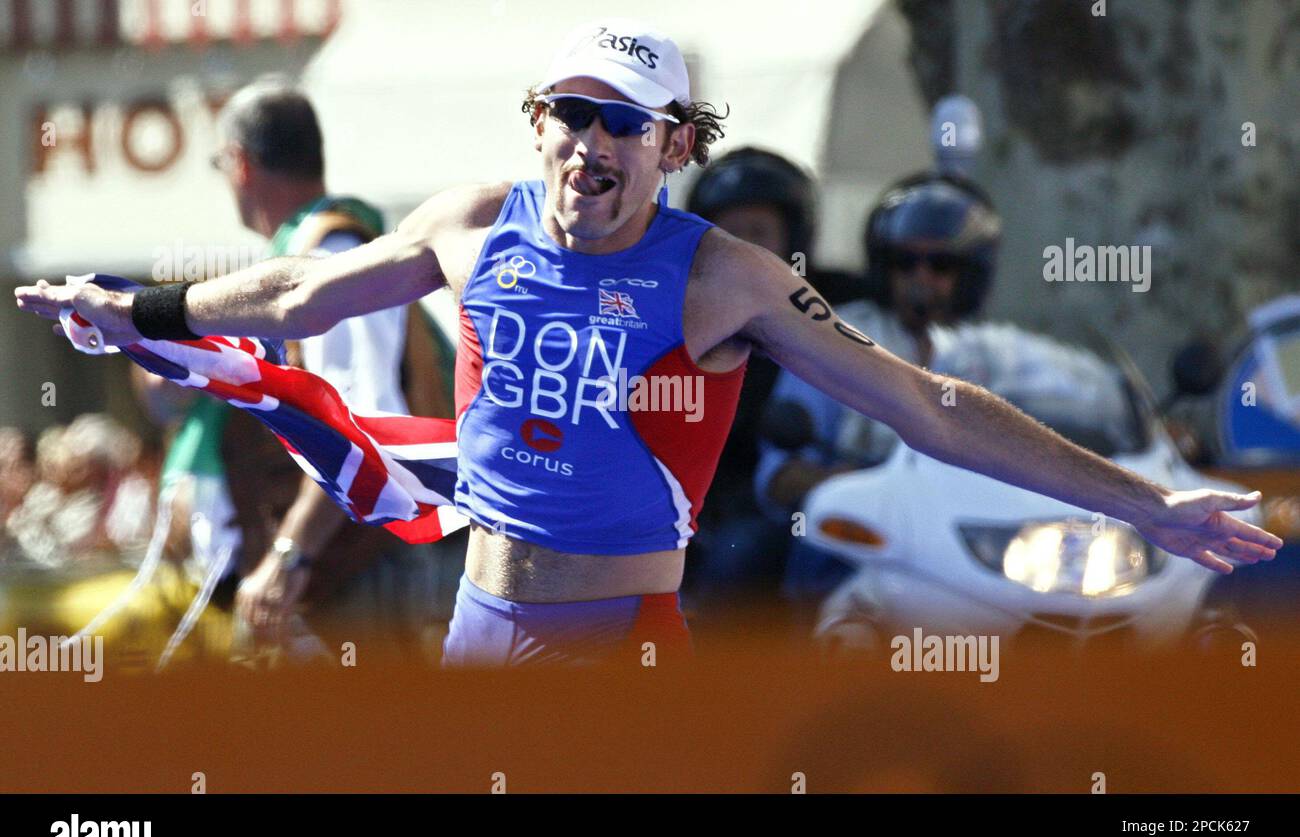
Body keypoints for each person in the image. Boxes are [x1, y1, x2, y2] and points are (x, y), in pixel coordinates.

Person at [15, 19, 1282, 667]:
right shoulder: (472, 226)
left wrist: (1150, 503)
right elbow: (299, 292)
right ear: (538, 125)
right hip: (470, 627)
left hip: (615, 644)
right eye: (571, 115)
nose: (591, 145)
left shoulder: (722, 277)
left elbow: (931, 405)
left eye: (625, 124)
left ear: (676, 145)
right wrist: (146, 309)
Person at [136, 81, 459, 663]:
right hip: (330, 574)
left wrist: (289, 555)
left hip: (353, 576)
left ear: (239, 163)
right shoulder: (314, 251)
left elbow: (361, 427)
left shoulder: (329, 254)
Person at [755, 173, 1002, 615]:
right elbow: (777, 477)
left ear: (971, 275)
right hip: (853, 554)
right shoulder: (833, 333)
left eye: (940, 265)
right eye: (904, 262)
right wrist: (851, 489)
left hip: (975, 557)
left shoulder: (1002, 353)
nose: (920, 278)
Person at [682, 147, 860, 621]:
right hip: (688, 516)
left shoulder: (841, 306)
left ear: (795, 239)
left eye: (758, 234)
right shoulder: (669, 316)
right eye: (728, 236)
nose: (741, 252)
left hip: (793, 511)